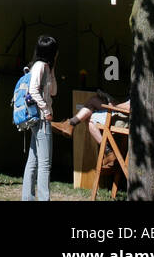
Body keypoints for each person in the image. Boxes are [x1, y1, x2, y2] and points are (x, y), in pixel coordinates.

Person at [21, 35, 58, 202]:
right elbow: (34, 91)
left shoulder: (46, 67)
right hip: (42, 119)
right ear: (52, 51)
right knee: (45, 164)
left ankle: (27, 198)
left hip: (40, 119)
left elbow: (53, 92)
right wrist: (46, 110)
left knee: (33, 160)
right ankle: (44, 198)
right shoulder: (40, 67)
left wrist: (53, 70)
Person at [52, 93, 130, 145]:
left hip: (122, 118)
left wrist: (114, 105)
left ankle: (108, 151)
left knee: (90, 115)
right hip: (118, 114)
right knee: (94, 101)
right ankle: (70, 124)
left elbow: (130, 107)